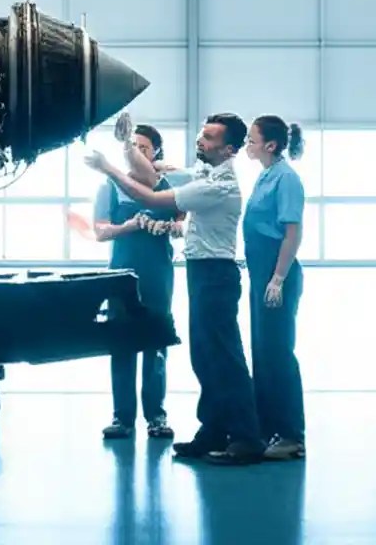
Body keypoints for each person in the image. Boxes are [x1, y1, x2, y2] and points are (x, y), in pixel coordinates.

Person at [85, 113, 266, 466]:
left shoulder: (218, 185)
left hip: (215, 274)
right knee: (204, 356)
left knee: (224, 357)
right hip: (199, 273)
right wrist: (125, 147)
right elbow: (150, 176)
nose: (201, 140)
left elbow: (151, 196)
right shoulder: (203, 173)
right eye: (201, 133)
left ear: (229, 150)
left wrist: (109, 166)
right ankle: (212, 431)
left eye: (210, 138)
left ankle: (246, 437)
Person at [92, 124, 178, 440]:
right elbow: (100, 231)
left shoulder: (166, 187)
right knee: (122, 343)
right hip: (121, 277)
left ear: (155, 152)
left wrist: (163, 226)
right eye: (133, 147)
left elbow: (182, 221)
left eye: (144, 148)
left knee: (156, 342)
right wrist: (129, 226)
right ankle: (122, 418)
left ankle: (156, 416)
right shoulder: (111, 187)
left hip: (157, 275)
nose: (137, 153)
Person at [239, 115, 307, 461]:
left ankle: (293, 435)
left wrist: (278, 278)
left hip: (276, 271)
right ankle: (268, 428)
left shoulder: (286, 179)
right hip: (258, 270)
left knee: (279, 353)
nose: (247, 145)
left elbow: (291, 232)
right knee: (262, 352)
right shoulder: (265, 175)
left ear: (271, 145)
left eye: (251, 140)